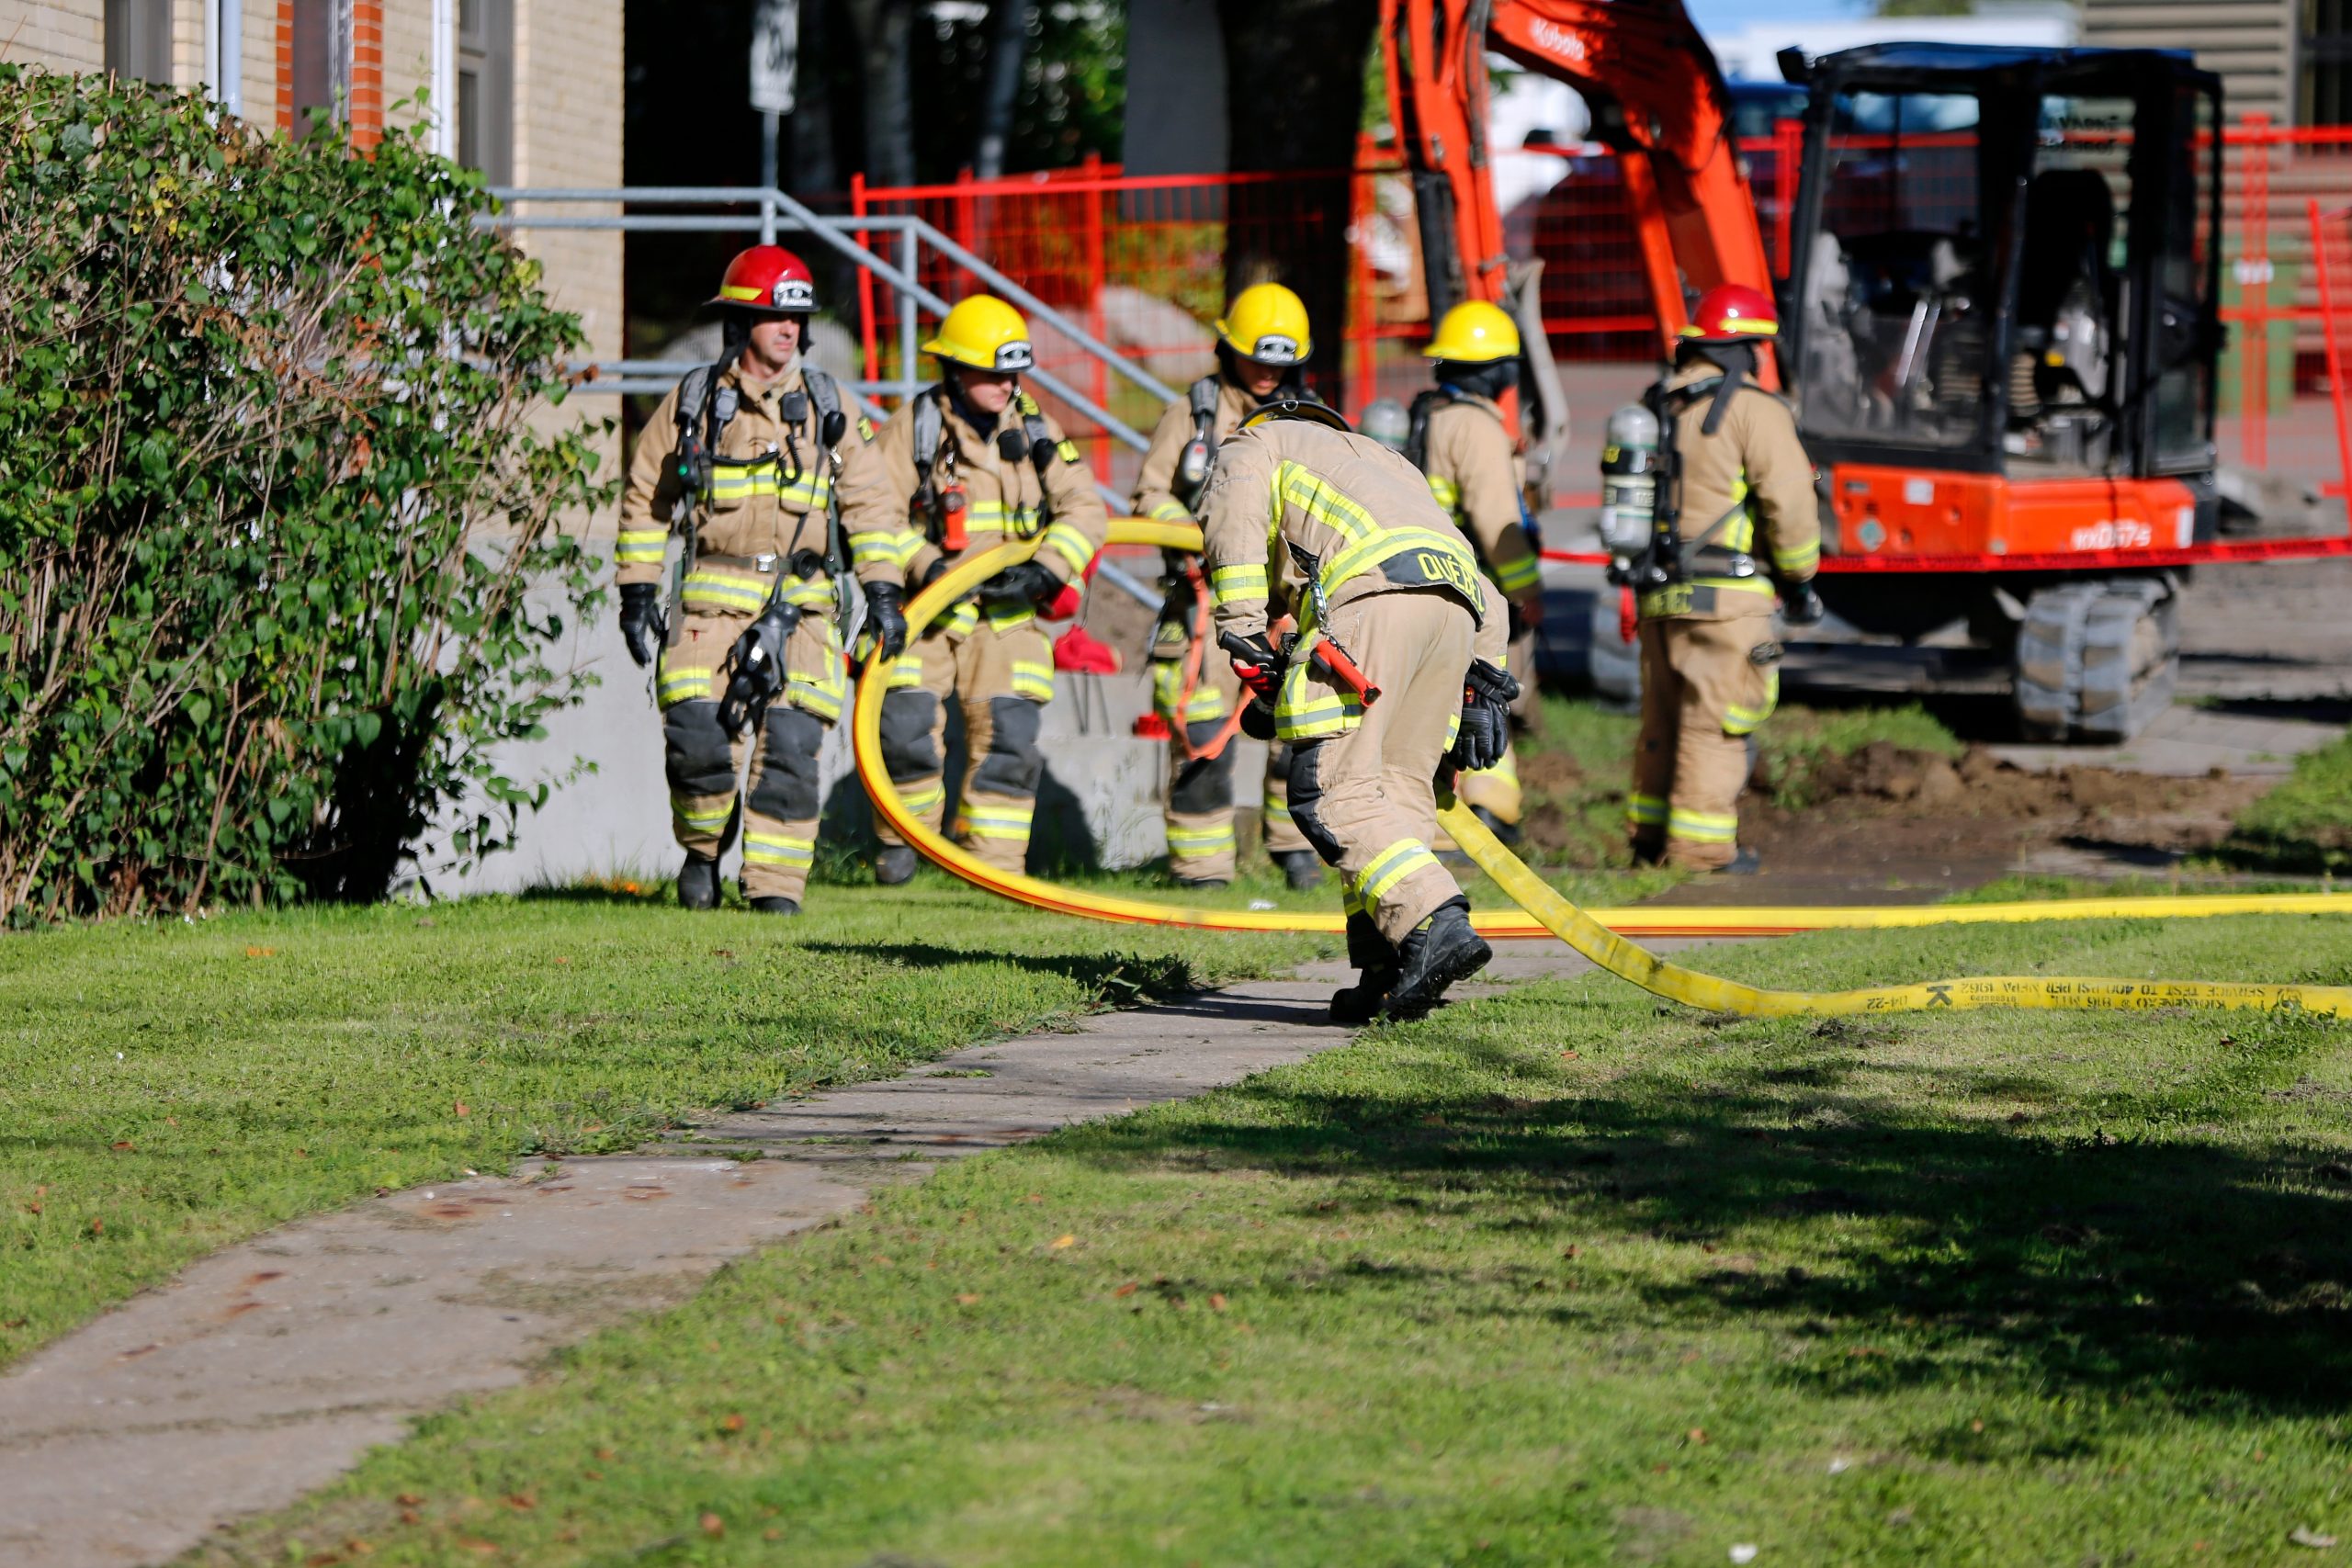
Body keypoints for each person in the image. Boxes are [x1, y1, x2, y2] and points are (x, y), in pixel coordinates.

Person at [1198, 400, 1518, 1022]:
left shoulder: (1256, 444)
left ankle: (1435, 919)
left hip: (1376, 604)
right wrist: (1486, 679)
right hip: (1456, 616)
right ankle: (1392, 967)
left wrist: (1239, 628)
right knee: (1392, 794)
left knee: (1329, 791)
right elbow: (1483, 586)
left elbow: (1234, 518)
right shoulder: (1387, 466)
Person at [615, 245, 876, 915]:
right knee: (698, 743)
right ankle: (704, 848)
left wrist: (884, 592)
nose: (790, 330)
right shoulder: (696, 402)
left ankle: (774, 891)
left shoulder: (830, 405)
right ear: (740, 320)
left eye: (798, 319)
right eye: (774, 317)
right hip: (709, 601)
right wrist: (638, 590)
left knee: (791, 752)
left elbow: (873, 505)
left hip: (804, 607)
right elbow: (648, 493)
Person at [842, 294, 1109, 881]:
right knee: (905, 729)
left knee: (1010, 740)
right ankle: (901, 853)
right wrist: (926, 566)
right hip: (928, 615)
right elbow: (873, 510)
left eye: (1012, 372)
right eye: (991, 372)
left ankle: (995, 874)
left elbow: (1087, 508)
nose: (1004, 383)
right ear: (956, 369)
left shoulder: (1034, 427)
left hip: (1007, 619)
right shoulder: (917, 429)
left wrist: (1047, 569)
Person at [1130, 282, 1325, 891]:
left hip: (1289, 609)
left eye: (1279, 361)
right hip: (1205, 607)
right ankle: (1201, 872)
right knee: (1203, 734)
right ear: (1227, 348)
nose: (1267, 372)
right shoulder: (1196, 413)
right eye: (1254, 357)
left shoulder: (1312, 420)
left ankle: (1297, 853)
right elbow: (1148, 495)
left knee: (1302, 731)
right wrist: (1195, 537)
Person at [1624, 283, 1823, 873]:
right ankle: (1701, 851)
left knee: (1662, 721)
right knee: (1715, 723)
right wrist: (1800, 577)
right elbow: (1789, 506)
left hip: (1661, 597)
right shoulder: (1755, 411)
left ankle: (1649, 842)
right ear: (1750, 350)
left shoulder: (1660, 406)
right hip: (1729, 599)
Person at [1405, 300, 1546, 840]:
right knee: (1482, 697)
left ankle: (1449, 816)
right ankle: (1487, 813)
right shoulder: (1477, 427)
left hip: (1424, 583)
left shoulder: (1429, 414)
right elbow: (1496, 522)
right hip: (1476, 589)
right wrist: (1528, 590)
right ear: (1500, 370)